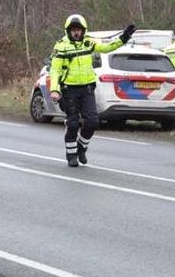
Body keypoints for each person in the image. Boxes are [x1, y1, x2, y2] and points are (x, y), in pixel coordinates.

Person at [49, 14, 136, 167]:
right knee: (73, 124)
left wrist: (125, 37)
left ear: (84, 30)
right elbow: (55, 70)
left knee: (92, 121)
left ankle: (81, 148)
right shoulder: (61, 46)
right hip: (69, 89)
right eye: (73, 30)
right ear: (68, 31)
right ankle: (71, 155)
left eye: (79, 30)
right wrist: (54, 90)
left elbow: (108, 47)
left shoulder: (89, 42)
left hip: (87, 88)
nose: (76, 33)